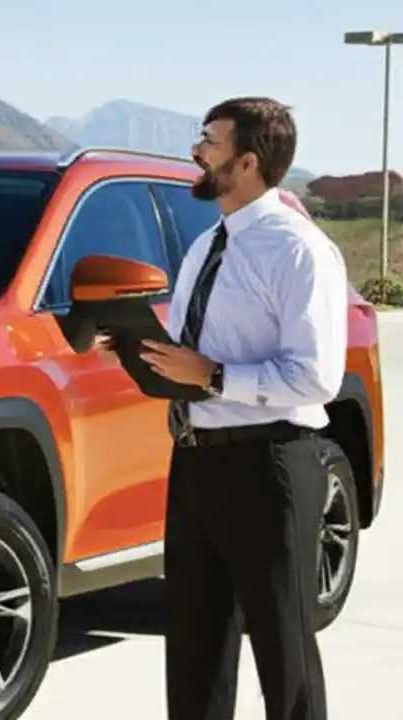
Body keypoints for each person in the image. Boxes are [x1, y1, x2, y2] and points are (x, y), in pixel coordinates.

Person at [132, 97, 345, 720]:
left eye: (210, 142)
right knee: (196, 653)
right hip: (197, 463)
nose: (197, 152)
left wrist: (217, 378)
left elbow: (316, 376)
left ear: (247, 161)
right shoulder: (205, 246)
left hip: (271, 465)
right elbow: (190, 352)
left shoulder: (298, 252)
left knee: (285, 651)